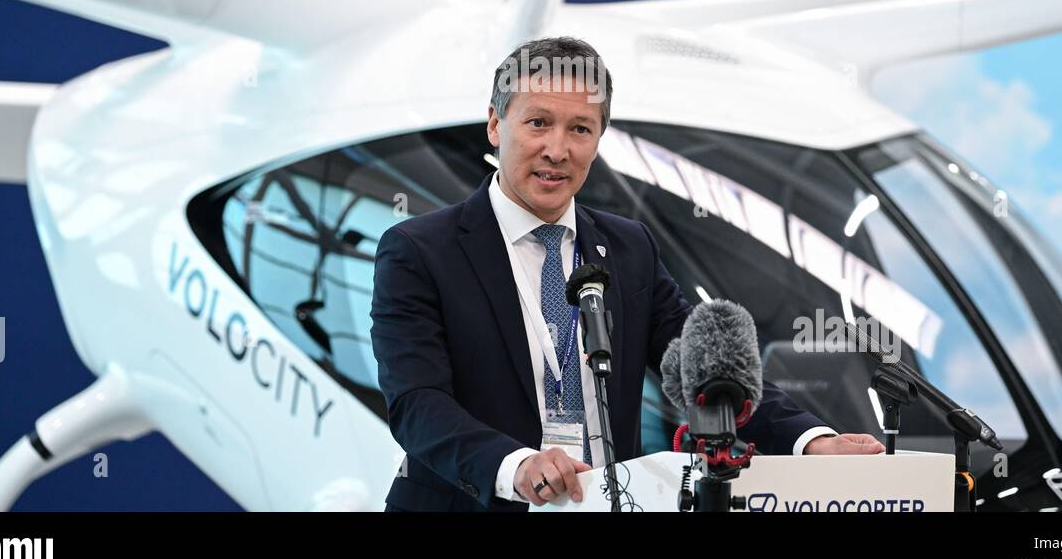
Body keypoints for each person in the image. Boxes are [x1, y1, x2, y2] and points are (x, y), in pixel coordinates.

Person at [370, 36, 882, 511]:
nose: (557, 149)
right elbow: (418, 404)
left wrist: (811, 440)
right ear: (495, 124)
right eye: (537, 123)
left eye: (580, 129)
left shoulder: (628, 248)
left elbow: (708, 370)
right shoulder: (419, 251)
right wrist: (517, 465)